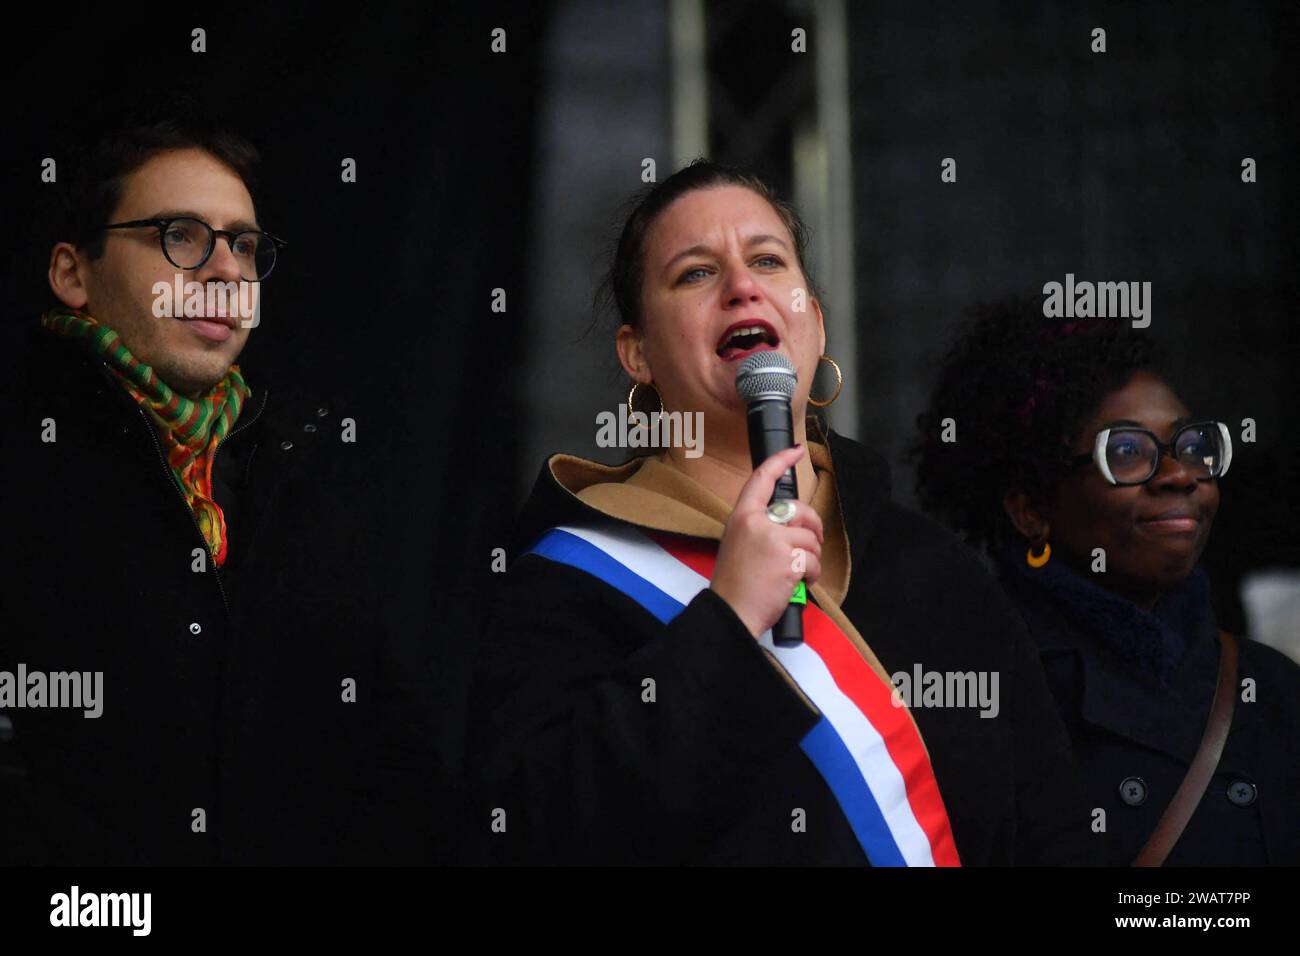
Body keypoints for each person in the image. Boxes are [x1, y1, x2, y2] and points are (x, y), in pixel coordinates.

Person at [465, 160, 1097, 865]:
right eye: (697, 273)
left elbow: (1049, 829)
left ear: (815, 326)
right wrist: (727, 623)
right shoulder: (568, 586)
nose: (742, 286)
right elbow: (534, 830)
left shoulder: (933, 569)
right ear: (637, 353)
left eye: (768, 260)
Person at [0, 101, 413, 864]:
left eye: (246, 246)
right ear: (71, 272)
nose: (226, 270)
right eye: (180, 236)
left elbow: (384, 760)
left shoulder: (304, 474)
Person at [911, 297, 1300, 865]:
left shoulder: (1271, 689)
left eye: (1192, 446)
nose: (1179, 475)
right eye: (1126, 451)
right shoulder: (979, 697)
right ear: (1031, 509)